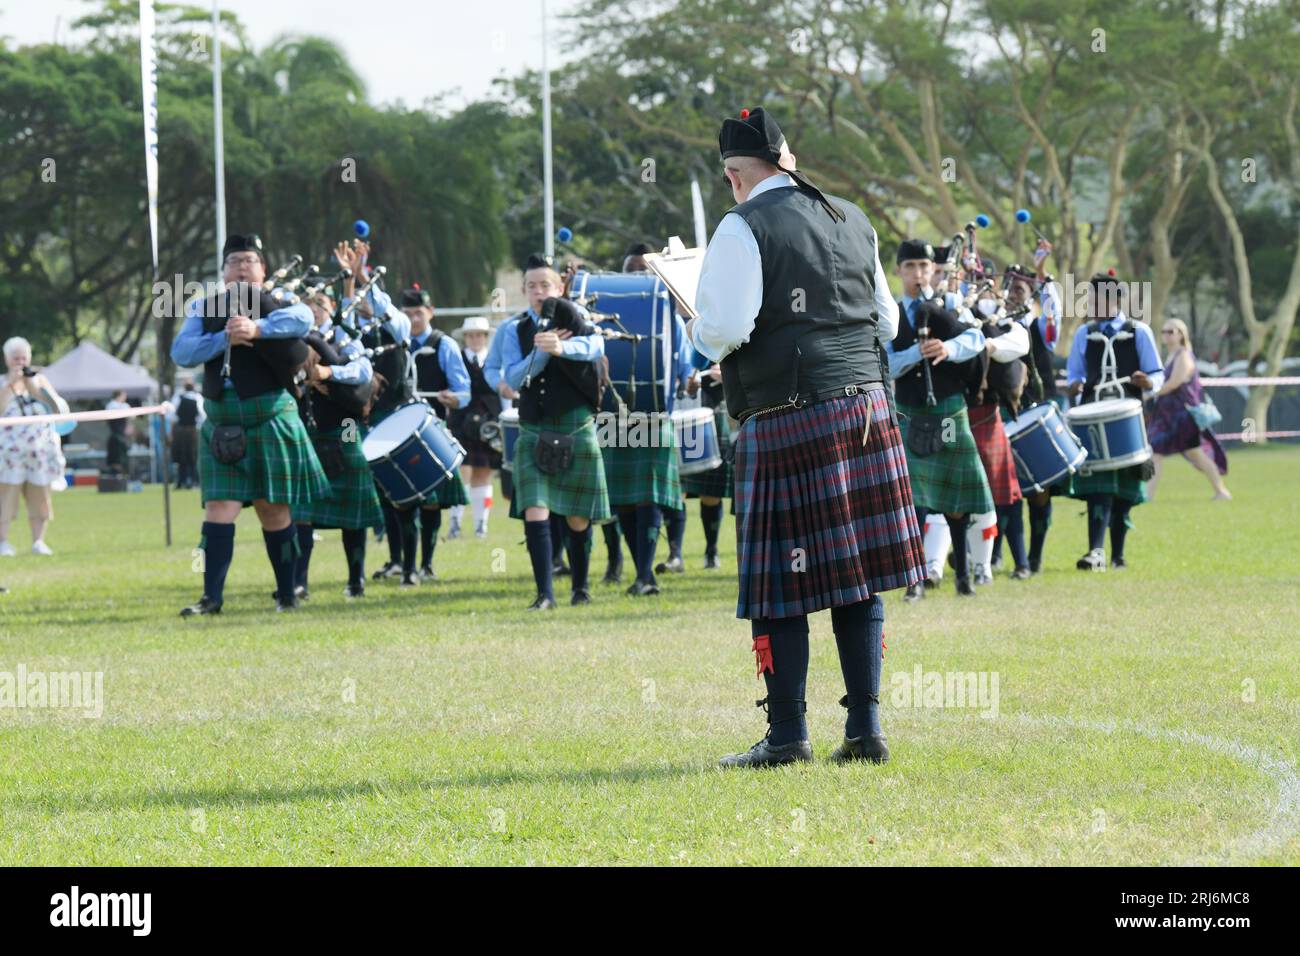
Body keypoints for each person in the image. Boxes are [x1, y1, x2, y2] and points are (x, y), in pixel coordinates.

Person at [691, 107, 925, 767]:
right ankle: (865, 730)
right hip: (865, 410)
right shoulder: (852, 216)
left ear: (735, 176)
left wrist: (698, 332)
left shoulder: (741, 226)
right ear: (788, 159)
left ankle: (788, 736)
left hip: (786, 416)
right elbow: (887, 321)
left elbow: (726, 327)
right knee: (856, 575)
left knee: (779, 585)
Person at [170, 232, 330, 615]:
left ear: (262, 270)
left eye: (249, 261)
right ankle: (211, 598)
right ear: (224, 272)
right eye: (234, 262)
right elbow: (182, 351)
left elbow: (303, 319)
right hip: (223, 419)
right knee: (218, 509)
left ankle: (288, 593)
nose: (241, 267)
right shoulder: (205, 308)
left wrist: (257, 329)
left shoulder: (282, 302)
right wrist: (225, 339)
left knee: (273, 510)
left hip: (269, 417)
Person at [485, 253, 610, 609]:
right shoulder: (513, 329)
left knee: (577, 515)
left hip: (576, 424)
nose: (538, 291)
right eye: (531, 286)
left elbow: (596, 348)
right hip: (533, 428)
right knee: (535, 508)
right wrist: (541, 353)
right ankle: (545, 594)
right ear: (524, 290)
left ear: (559, 287)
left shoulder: (578, 318)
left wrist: (563, 346)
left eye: (545, 285)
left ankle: (580, 588)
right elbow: (510, 376)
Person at [887, 239, 990, 598]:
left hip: (948, 408)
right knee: (913, 502)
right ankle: (914, 582)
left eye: (924, 267)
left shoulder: (949, 306)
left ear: (933, 270)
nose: (918, 273)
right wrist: (918, 350)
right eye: (911, 266)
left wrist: (948, 348)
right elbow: (886, 364)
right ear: (899, 270)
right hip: (911, 410)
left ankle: (963, 576)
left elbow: (977, 339)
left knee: (956, 505)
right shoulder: (890, 313)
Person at [600, 242, 689, 596]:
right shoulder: (602, 316)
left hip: (654, 414)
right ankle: (640, 573)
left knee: (649, 496)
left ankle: (645, 576)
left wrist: (686, 377)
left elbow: (683, 367)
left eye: (643, 269)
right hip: (613, 416)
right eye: (631, 270)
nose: (637, 275)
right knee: (622, 497)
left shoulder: (668, 317)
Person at [1066, 271, 1165, 570]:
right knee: (1099, 485)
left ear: (1115, 300)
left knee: (1124, 486)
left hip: (1127, 417)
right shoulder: (1084, 334)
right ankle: (1095, 551)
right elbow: (1075, 373)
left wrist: (1147, 382)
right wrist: (1075, 385)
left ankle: (1117, 555)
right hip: (1094, 417)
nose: (1093, 305)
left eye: (1098, 299)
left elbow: (1157, 373)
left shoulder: (1139, 331)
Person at [289, 286, 382, 599]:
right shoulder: (292, 339)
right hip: (307, 428)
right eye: (308, 305)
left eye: (320, 304)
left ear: (331, 306)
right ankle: (299, 581)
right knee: (302, 509)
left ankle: (356, 579)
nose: (314, 310)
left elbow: (362, 371)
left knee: (352, 509)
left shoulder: (346, 337)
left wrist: (327, 372)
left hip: (344, 424)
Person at [997, 255, 1063, 574]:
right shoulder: (995, 328)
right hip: (1004, 414)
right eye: (1009, 289)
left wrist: (1043, 276)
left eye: (1020, 290)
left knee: (1038, 490)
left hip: (1036, 411)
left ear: (1031, 295)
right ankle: (1015, 561)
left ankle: (1034, 558)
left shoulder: (1041, 327)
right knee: (1007, 491)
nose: (1013, 295)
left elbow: (1055, 313)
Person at [404, 285, 472, 580]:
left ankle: (427, 563)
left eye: (418, 313)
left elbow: (463, 391)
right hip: (399, 431)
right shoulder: (397, 343)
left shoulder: (443, 344)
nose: (413, 320)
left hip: (433, 428)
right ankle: (405, 565)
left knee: (431, 500)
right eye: (407, 314)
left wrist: (453, 398)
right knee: (403, 498)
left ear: (430, 312)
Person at [1146, 317, 1230, 501]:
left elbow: (1174, 383)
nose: (1166, 335)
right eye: (1164, 331)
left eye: (1171, 331)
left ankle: (1221, 491)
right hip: (1166, 415)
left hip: (1182, 416)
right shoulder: (1169, 356)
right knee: (1156, 452)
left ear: (1181, 335)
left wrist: (1151, 393)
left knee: (1195, 455)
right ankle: (1148, 495)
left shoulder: (1183, 355)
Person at [0, 336, 67, 557]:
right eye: (15, 358)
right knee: (5, 496)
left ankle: (38, 541)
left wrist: (35, 387)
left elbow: (59, 410)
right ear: (7, 359)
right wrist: (11, 384)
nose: (20, 362)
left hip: (40, 453)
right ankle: (3, 542)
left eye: (23, 358)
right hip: (9, 455)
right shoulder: (2, 382)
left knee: (40, 497)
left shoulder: (41, 382)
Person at [447, 315, 501, 538]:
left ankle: (481, 524)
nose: (475, 339)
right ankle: (455, 524)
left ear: (486, 337)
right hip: (461, 421)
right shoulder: (457, 359)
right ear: (465, 338)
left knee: (483, 473)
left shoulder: (494, 361)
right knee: (461, 473)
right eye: (471, 335)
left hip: (488, 422)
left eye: (479, 335)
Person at [170, 377, 205, 489]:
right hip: (192, 430)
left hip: (180, 430)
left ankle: (182, 481)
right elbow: (202, 416)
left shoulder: (178, 397)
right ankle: (194, 481)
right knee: (193, 456)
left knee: (182, 456)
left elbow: (172, 415)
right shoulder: (197, 398)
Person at [105, 390, 132, 475]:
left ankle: (123, 477)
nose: (125, 398)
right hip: (115, 436)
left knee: (123, 459)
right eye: (123, 396)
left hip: (123, 437)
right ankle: (115, 476)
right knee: (115, 460)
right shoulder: (111, 405)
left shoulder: (125, 405)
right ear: (118, 396)